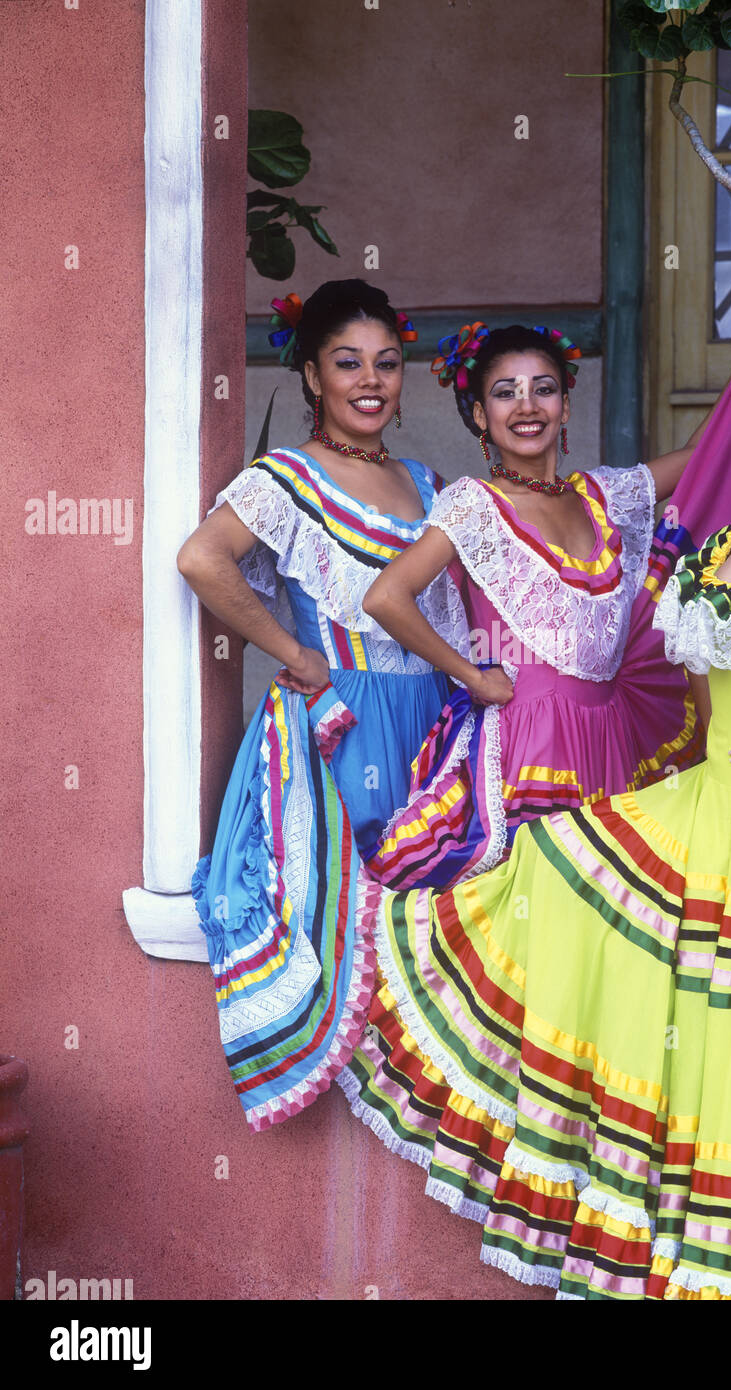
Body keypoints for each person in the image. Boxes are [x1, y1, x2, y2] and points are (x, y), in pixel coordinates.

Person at [342, 329, 731, 1300]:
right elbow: (704, 699)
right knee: (585, 907)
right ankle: (709, 1265)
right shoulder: (729, 545)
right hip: (709, 800)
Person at [357, 297, 731, 891]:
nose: (527, 406)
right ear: (481, 417)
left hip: (610, 729)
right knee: (533, 903)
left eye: (543, 389)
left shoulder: (603, 494)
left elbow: (705, 464)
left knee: (608, 903)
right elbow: (387, 596)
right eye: (506, 393)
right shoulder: (474, 503)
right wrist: (471, 675)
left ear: (565, 407)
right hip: (528, 737)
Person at [178, 279, 451, 1132]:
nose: (369, 380)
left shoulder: (425, 480)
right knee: (353, 913)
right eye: (346, 363)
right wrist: (296, 654)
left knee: (428, 927)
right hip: (345, 722)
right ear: (309, 375)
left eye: (386, 363)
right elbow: (202, 560)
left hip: (429, 723)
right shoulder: (285, 478)